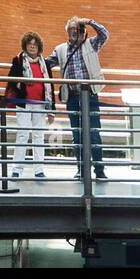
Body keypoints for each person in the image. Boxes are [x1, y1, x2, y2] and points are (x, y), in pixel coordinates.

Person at [47, 15, 109, 181]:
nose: (74, 32)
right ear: (67, 31)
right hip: (72, 97)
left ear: (83, 30)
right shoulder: (60, 49)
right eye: (71, 29)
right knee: (77, 134)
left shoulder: (91, 44)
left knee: (94, 133)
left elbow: (104, 34)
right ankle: (81, 169)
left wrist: (88, 22)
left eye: (77, 29)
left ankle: (99, 170)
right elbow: (46, 64)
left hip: (91, 95)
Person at [5, 31, 56, 180]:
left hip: (40, 104)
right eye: (29, 44)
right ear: (25, 46)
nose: (32, 47)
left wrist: (51, 110)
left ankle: (39, 170)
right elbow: (11, 81)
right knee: (22, 134)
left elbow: (50, 86)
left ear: (39, 47)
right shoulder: (18, 60)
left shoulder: (45, 63)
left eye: (35, 45)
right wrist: (21, 83)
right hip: (24, 104)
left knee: (38, 135)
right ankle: (16, 169)